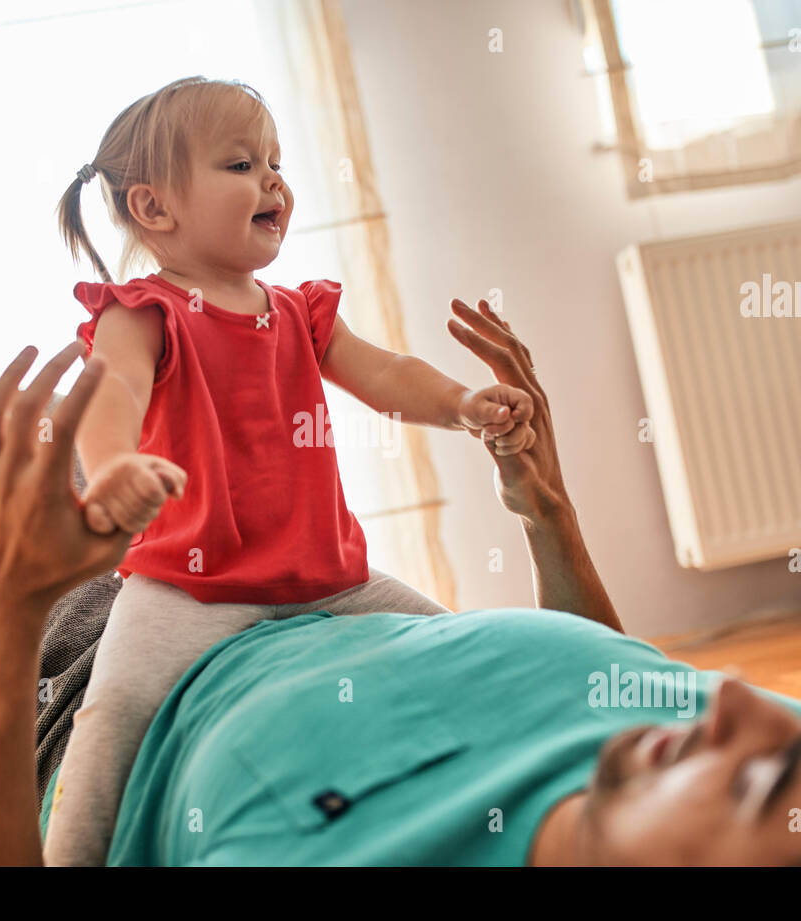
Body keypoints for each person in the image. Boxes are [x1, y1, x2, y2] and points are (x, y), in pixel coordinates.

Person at [0, 297, 801, 866]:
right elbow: (620, 674)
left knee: (38, 467)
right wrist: (546, 507)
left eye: (772, 786)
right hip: (313, 596)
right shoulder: (713, 754)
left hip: (136, 668)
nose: (742, 704)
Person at [45, 75, 534, 865]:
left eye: (276, 162)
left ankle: (512, 794)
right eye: (240, 165)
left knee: (454, 646)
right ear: (154, 208)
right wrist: (113, 468)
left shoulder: (301, 310)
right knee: (113, 712)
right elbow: (113, 389)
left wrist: (463, 403)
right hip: (188, 587)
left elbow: (387, 373)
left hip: (329, 577)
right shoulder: (139, 310)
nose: (273, 180)